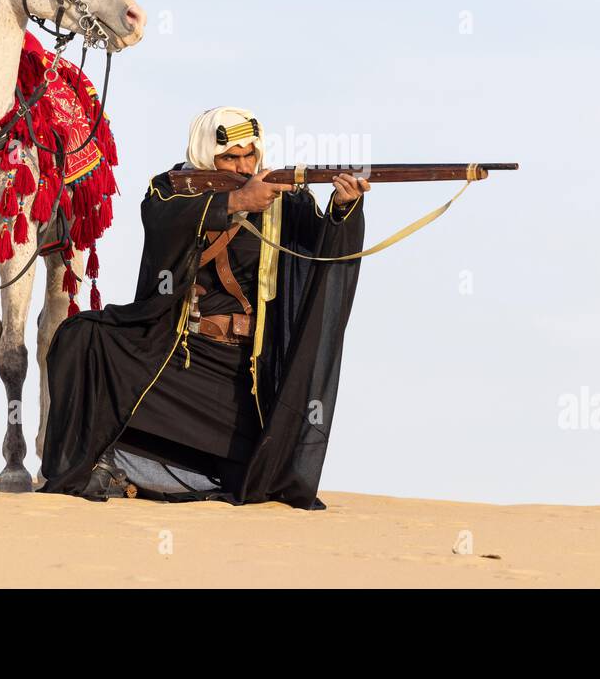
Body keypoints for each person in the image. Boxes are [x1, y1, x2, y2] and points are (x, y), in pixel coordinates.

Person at [37, 106, 368, 509]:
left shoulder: (287, 198)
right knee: (83, 336)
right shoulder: (174, 187)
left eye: (250, 155)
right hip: (175, 352)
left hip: (245, 374)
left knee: (252, 477)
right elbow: (160, 219)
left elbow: (324, 255)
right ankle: (93, 465)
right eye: (230, 157)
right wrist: (235, 202)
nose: (244, 165)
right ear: (206, 154)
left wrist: (343, 208)